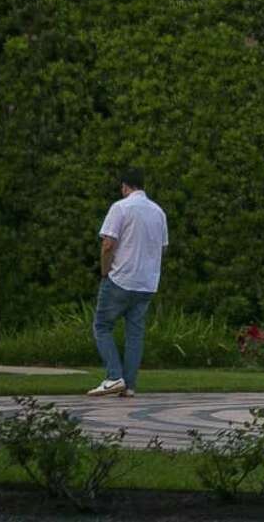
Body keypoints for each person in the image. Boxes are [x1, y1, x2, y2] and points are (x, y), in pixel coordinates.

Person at [87, 168, 169, 398]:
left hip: (121, 278)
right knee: (135, 333)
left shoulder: (120, 207)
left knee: (102, 326)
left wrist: (105, 271)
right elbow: (162, 247)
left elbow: (108, 244)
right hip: (147, 283)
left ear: (125, 186)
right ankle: (129, 385)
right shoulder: (158, 212)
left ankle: (114, 377)